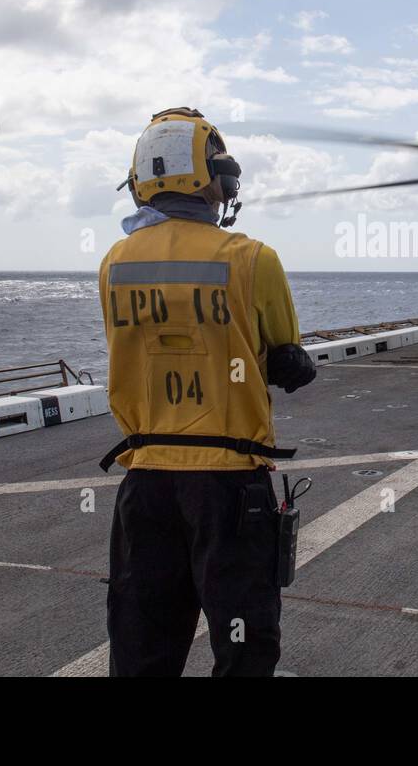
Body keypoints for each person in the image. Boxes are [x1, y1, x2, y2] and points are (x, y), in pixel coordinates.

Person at [99, 106, 316, 677]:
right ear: (209, 177)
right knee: (243, 643)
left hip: (144, 484)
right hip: (228, 488)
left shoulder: (114, 264)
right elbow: (289, 361)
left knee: (143, 643)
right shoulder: (252, 258)